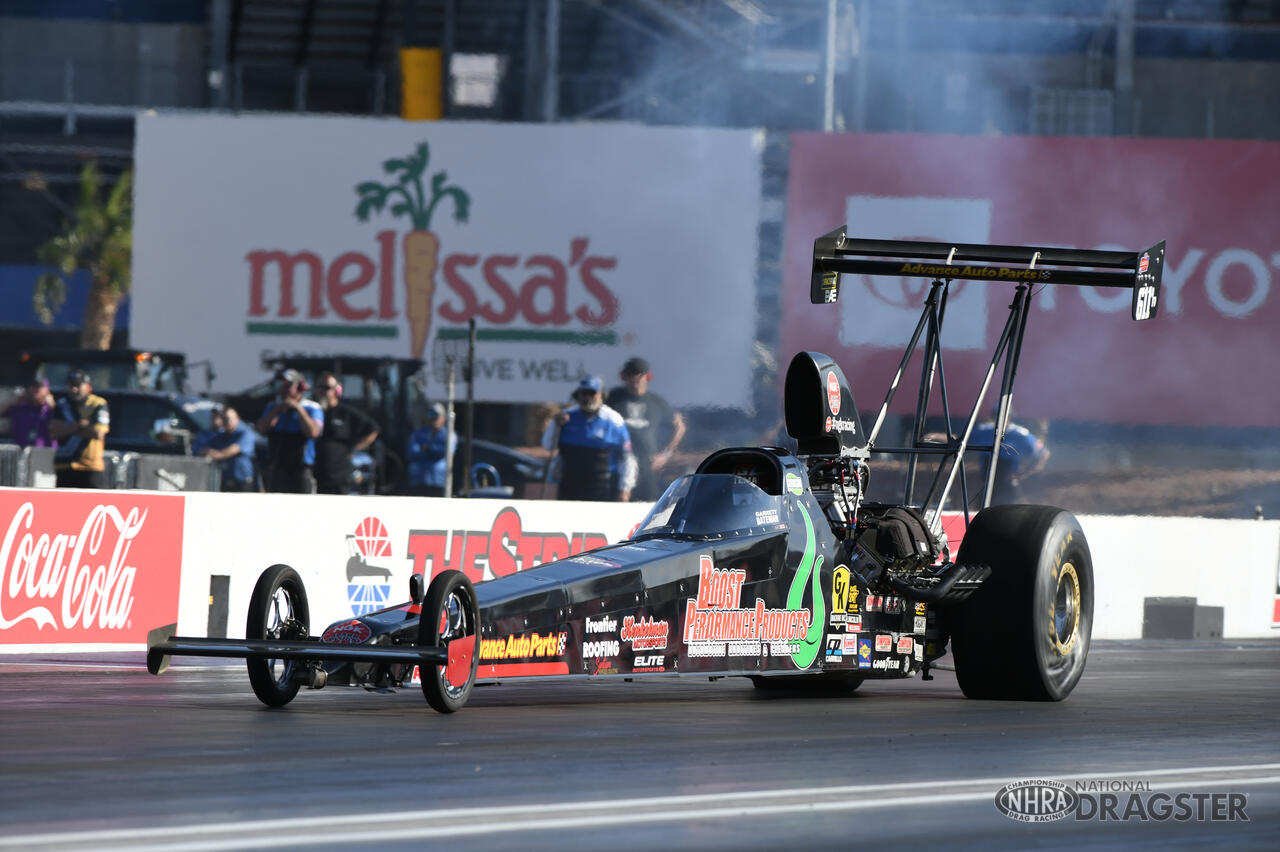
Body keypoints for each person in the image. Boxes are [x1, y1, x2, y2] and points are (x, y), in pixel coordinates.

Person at [542, 375, 637, 502]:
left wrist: (625, 489)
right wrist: (555, 424)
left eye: (592, 393)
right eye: (584, 393)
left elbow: (627, 458)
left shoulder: (613, 421)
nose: (587, 397)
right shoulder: (566, 417)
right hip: (570, 486)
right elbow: (547, 445)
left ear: (601, 395)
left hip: (602, 487)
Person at [606, 356, 686, 501]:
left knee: (647, 504)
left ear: (647, 376)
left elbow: (679, 426)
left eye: (639, 374)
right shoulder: (614, 398)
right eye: (630, 374)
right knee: (619, 503)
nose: (635, 378)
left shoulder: (656, 401)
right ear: (624, 376)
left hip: (648, 464)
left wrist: (665, 455)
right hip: (620, 461)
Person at [255, 369, 324, 493]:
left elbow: (313, 432)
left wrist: (298, 409)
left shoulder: (311, 408)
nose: (284, 389)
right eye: (282, 385)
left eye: (288, 385)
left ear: (300, 387)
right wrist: (277, 410)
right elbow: (261, 429)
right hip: (277, 468)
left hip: (300, 469)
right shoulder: (273, 407)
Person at [311, 371, 379, 494]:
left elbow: (373, 429)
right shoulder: (312, 411)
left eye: (326, 388)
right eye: (319, 387)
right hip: (314, 474)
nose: (322, 391)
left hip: (339, 476)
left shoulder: (345, 413)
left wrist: (355, 449)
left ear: (337, 391)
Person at [49, 369, 110, 488]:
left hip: (89, 466)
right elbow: (53, 433)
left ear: (88, 387)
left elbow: (98, 433)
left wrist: (67, 428)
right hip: (64, 464)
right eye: (71, 385)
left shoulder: (97, 404)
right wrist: (80, 425)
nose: (74, 389)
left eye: (77, 385)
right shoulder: (62, 405)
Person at [970, 417, 1050, 505]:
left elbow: (1043, 453)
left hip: (1008, 482)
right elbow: (960, 442)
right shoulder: (983, 430)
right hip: (987, 482)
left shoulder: (1021, 434)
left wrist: (1027, 471)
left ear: (1009, 417)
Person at [198, 406, 259, 492]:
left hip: (243, 483)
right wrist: (207, 451)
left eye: (230, 418)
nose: (227, 421)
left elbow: (232, 450)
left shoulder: (245, 434)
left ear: (237, 419)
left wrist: (217, 454)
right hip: (225, 483)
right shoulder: (219, 437)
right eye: (225, 419)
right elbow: (201, 450)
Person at [407, 403, 457, 497]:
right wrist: (431, 453)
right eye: (431, 416)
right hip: (419, 480)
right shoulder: (419, 433)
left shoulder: (449, 435)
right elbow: (412, 453)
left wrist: (428, 449)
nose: (433, 420)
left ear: (443, 418)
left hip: (439, 481)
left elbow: (445, 453)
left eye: (436, 417)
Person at [1, 378, 57, 448]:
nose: (35, 390)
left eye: (39, 387)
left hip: (46, 453)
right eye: (32, 387)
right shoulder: (19, 407)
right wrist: (14, 400)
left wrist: (53, 408)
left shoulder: (50, 408)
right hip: (22, 452)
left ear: (47, 390)